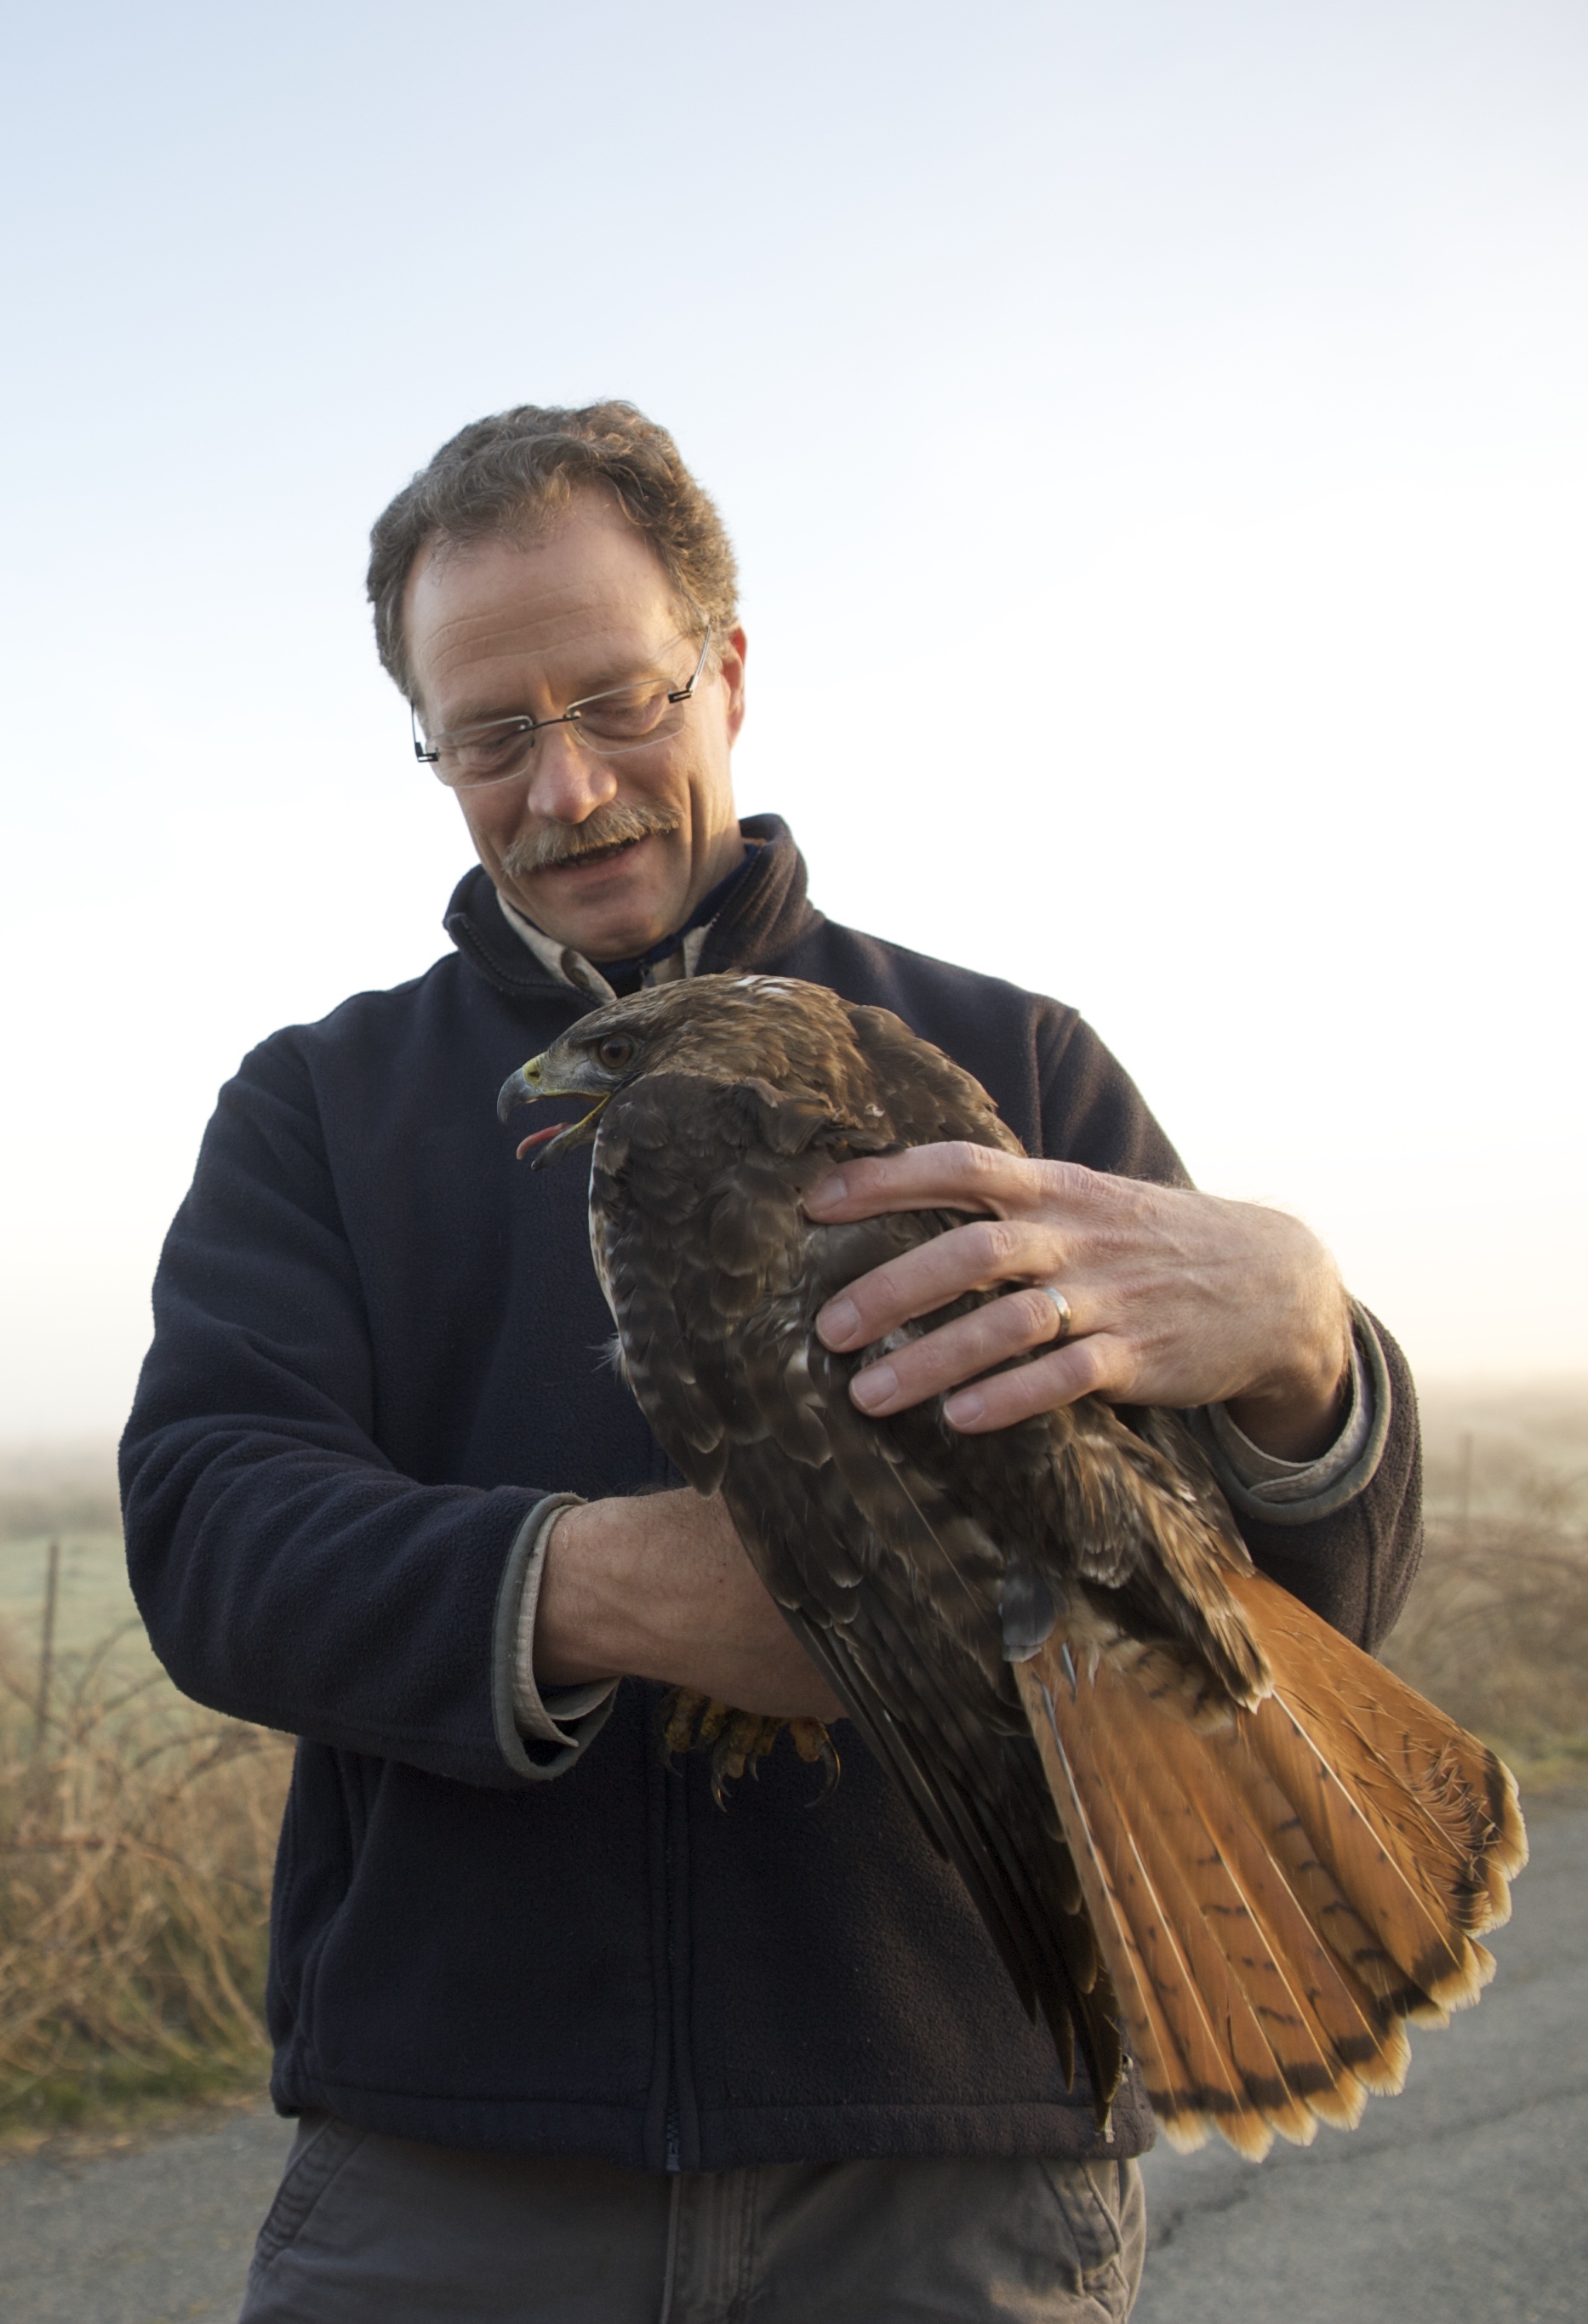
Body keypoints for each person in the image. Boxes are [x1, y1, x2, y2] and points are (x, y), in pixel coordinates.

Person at [120, 402, 1425, 2321]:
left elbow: (1299, 1609)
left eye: (619, 701)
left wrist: (1306, 1350)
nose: (564, 787)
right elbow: (213, 1541)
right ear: (430, 752)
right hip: (463, 2154)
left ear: (726, 671)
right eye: (491, 733)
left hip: (948, 2145)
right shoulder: (325, 1107)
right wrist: (598, 1589)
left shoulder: (1013, 1059)